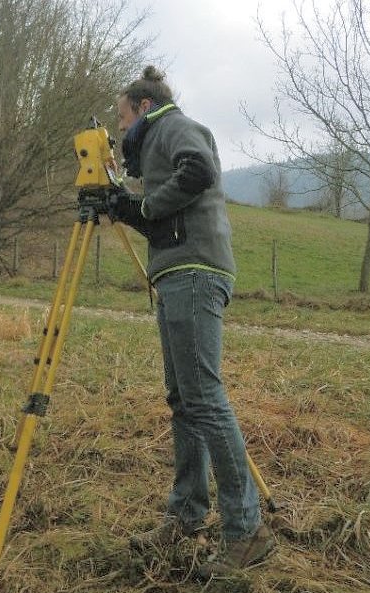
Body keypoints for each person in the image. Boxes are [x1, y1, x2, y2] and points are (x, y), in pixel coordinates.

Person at [108, 65, 275, 575]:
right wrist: (124, 207)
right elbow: (163, 218)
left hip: (196, 273)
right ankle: (186, 514)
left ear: (142, 106)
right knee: (185, 401)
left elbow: (199, 170)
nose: (118, 130)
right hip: (178, 271)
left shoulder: (175, 126)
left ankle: (246, 531)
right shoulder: (157, 141)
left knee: (203, 398)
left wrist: (148, 203)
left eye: (121, 117)